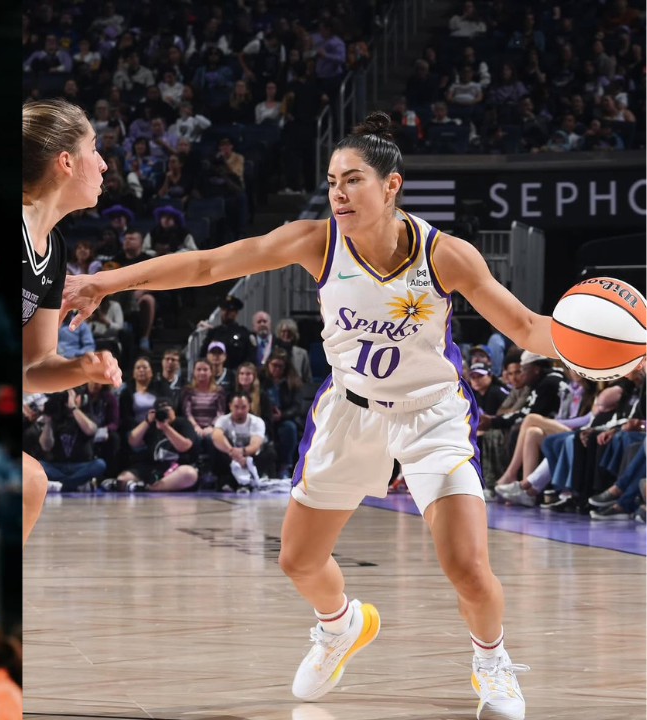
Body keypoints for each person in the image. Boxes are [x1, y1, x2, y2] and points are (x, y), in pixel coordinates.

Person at [63, 111, 567, 720]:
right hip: (350, 414)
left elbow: (530, 328)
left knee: (467, 566)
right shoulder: (316, 240)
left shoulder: (447, 256)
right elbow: (207, 265)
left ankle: (490, 659)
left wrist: (605, 349)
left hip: (430, 414)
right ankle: (341, 624)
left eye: (353, 180)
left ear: (391, 186)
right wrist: (105, 281)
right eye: (332, 180)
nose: (338, 192)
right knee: (297, 560)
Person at [22, 98, 123, 546]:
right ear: (65, 161)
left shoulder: (54, 246)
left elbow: (32, 368)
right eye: (93, 148)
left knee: (30, 483)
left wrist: (82, 368)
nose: (102, 163)